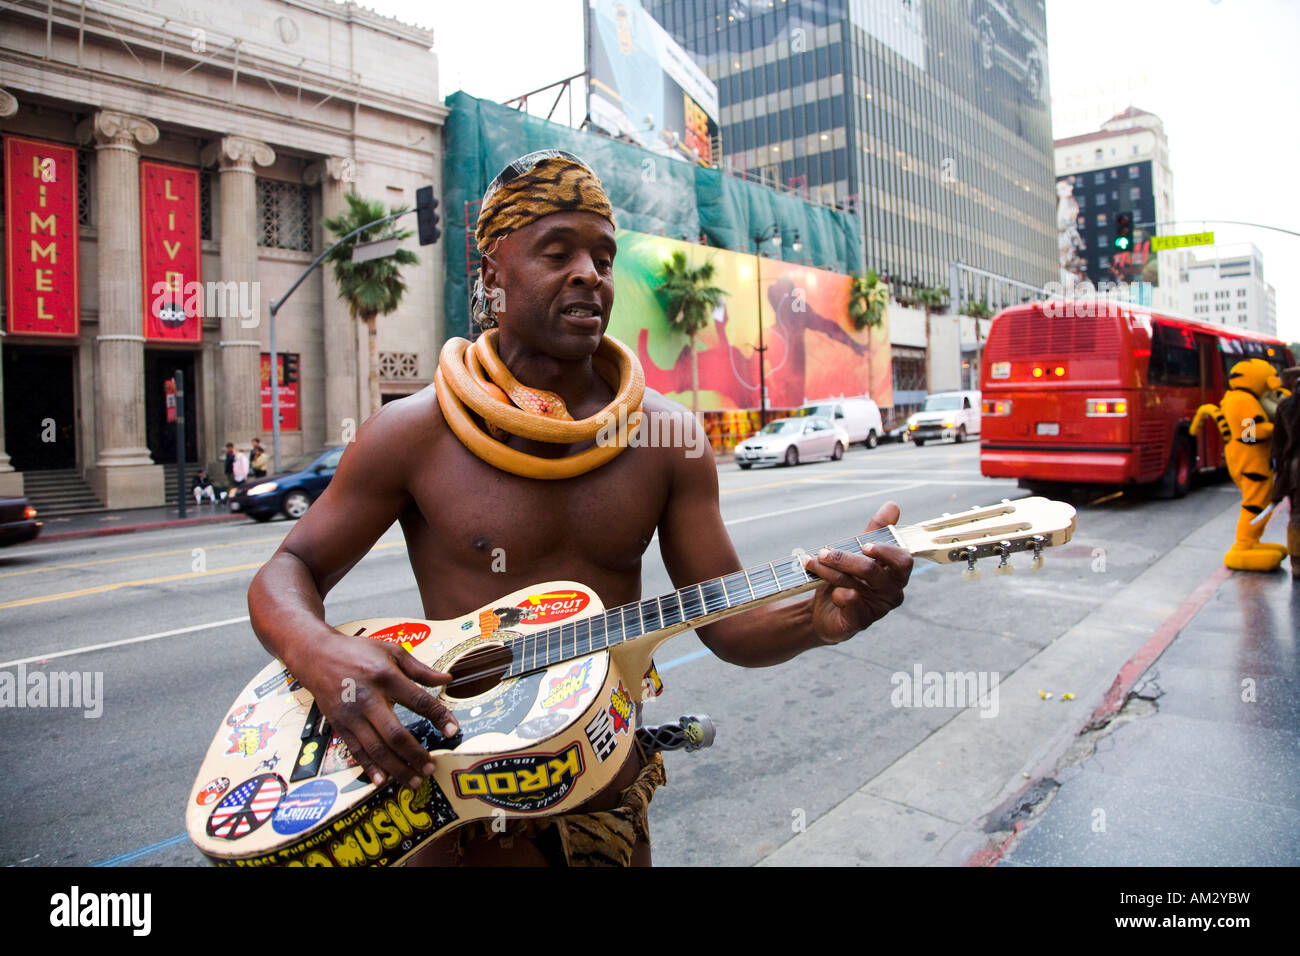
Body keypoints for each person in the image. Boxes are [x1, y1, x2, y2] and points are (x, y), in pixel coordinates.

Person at [247, 149, 912, 866]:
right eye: (556, 251)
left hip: (605, 803)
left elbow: (728, 625)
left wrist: (823, 616)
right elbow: (290, 568)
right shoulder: (414, 432)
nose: (589, 273)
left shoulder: (666, 439)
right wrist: (320, 651)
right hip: (452, 814)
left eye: (603, 255)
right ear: (494, 276)